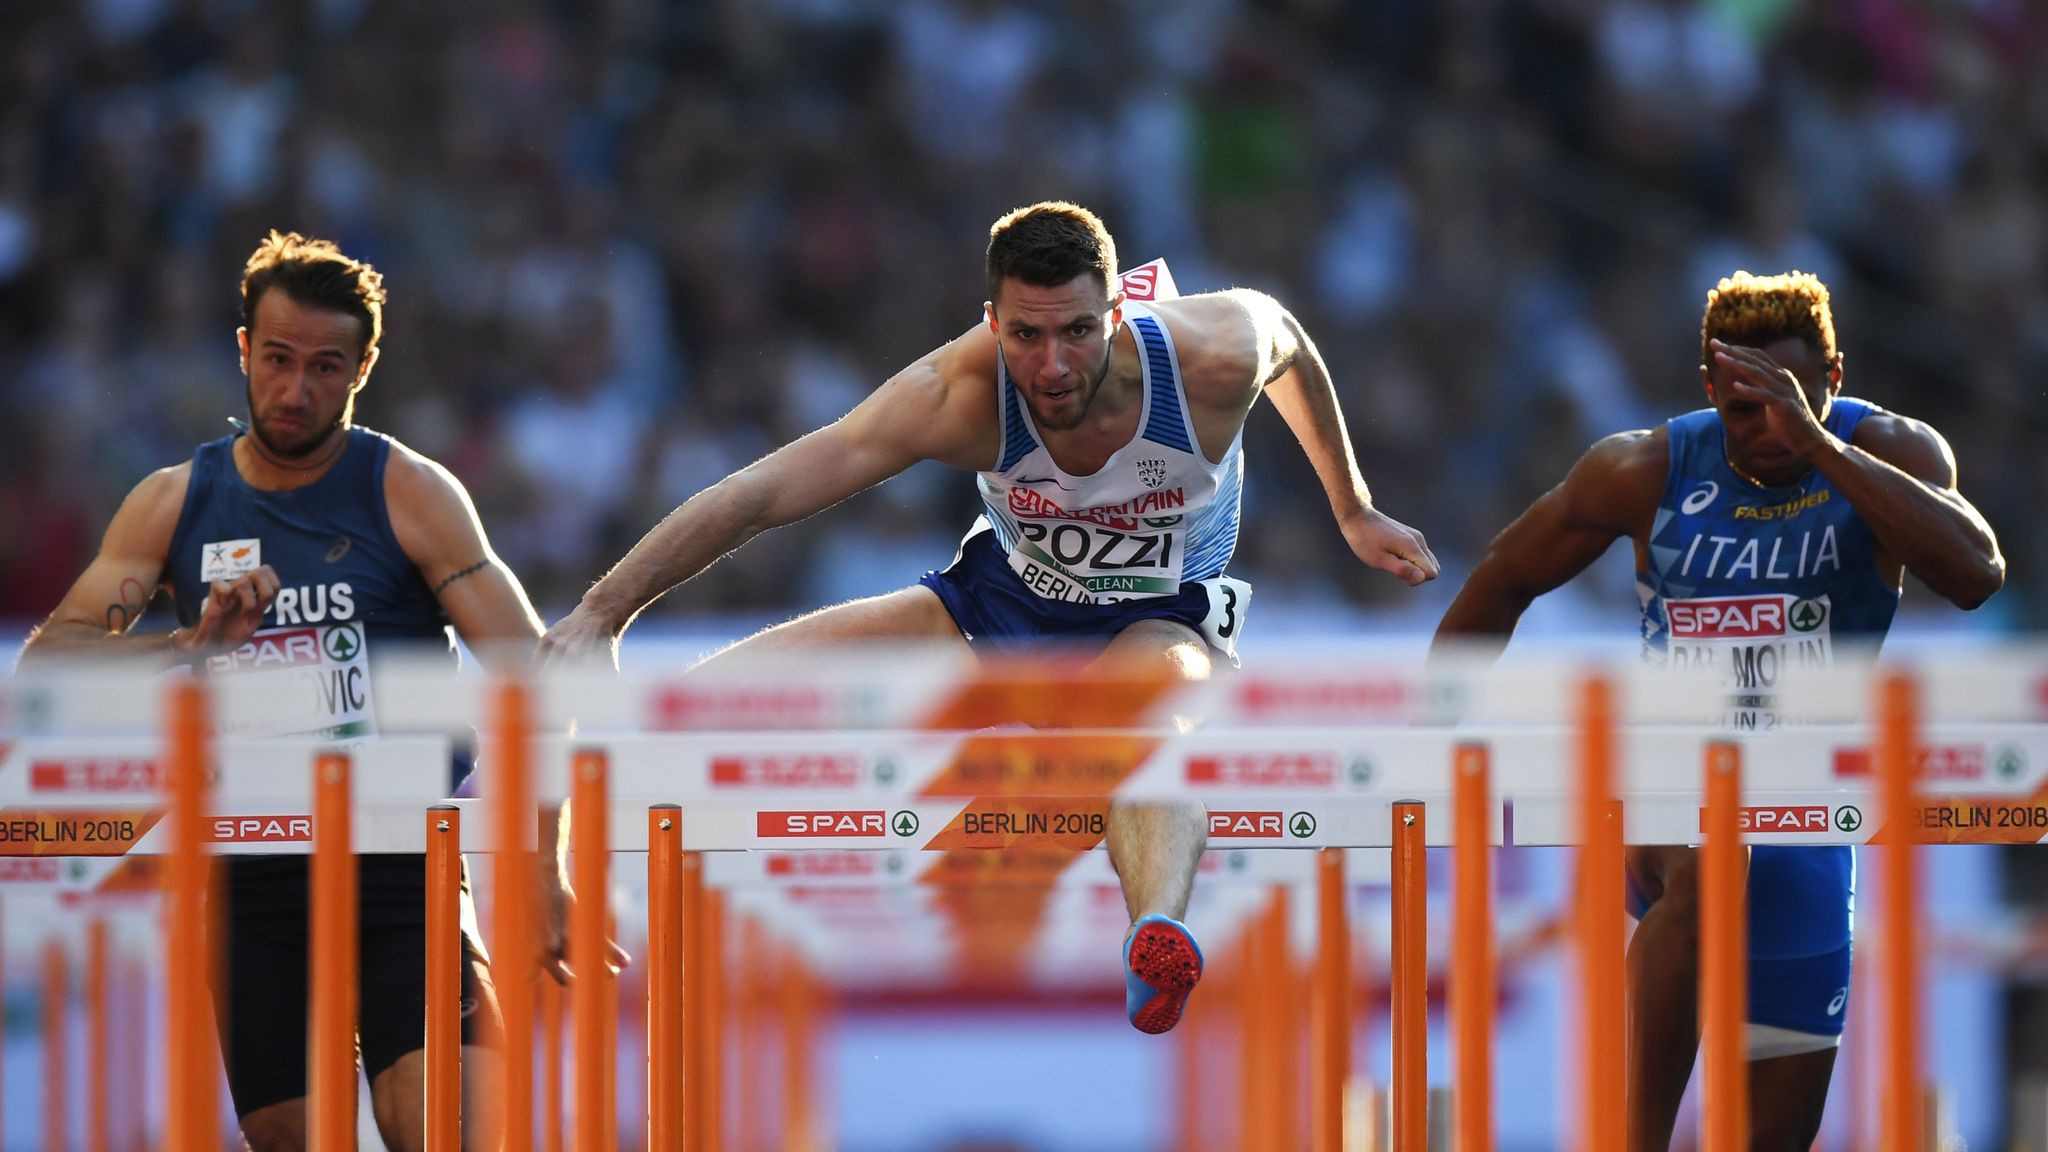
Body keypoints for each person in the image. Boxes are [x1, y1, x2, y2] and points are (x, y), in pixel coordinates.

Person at [542, 201, 1439, 1033]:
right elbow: (763, 492)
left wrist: (1353, 507)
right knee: (711, 700)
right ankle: (540, 834)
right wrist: (601, 610)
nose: (1053, 368)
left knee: (1163, 727)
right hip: (996, 606)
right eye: (1027, 337)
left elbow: (1288, 341)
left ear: (1117, 319)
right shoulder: (956, 394)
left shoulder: (1210, 356)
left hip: (1157, 619)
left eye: (1078, 334)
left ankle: (1156, 935)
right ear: (992, 325)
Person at [17, 232, 609, 1151]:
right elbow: (47, 666)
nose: (296, 392)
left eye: (326, 368)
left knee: (443, 1130)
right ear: (243, 350)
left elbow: (533, 680)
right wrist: (186, 642)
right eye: (279, 361)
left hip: (398, 871)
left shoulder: (409, 493)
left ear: (364, 368)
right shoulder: (173, 503)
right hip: (252, 882)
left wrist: (544, 866)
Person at [1431, 270, 2004, 1150]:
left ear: (1833, 379)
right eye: (1744, 413)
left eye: (1791, 405)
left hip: (1812, 812)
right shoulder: (1643, 469)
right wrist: (1430, 725)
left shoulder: (1891, 452)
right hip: (1677, 783)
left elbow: (1974, 575)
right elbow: (1506, 578)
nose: (1767, 433)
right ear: (1709, 390)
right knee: (1714, 850)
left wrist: (1820, 448)